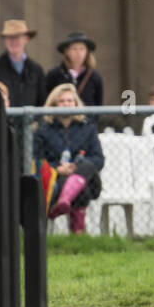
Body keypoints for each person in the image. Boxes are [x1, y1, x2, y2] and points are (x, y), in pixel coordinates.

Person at [33, 83, 104, 234]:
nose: (66, 104)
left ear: (76, 103)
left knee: (86, 164)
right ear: (53, 105)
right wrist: (57, 168)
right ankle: (77, 232)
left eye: (70, 101)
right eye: (62, 101)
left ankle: (65, 199)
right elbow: (36, 160)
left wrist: (76, 167)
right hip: (57, 178)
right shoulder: (43, 130)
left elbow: (99, 159)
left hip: (89, 179)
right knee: (80, 188)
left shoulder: (88, 127)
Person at [0, 19, 47, 108]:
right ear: (5, 40)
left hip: (30, 117)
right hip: (4, 117)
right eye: (9, 37)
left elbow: (42, 101)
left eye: (17, 37)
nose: (13, 41)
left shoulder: (36, 70)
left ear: (26, 39)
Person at [44, 31, 104, 107]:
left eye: (82, 49)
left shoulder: (94, 77)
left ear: (87, 52)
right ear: (66, 51)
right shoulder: (54, 75)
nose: (78, 53)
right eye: (74, 49)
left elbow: (99, 104)